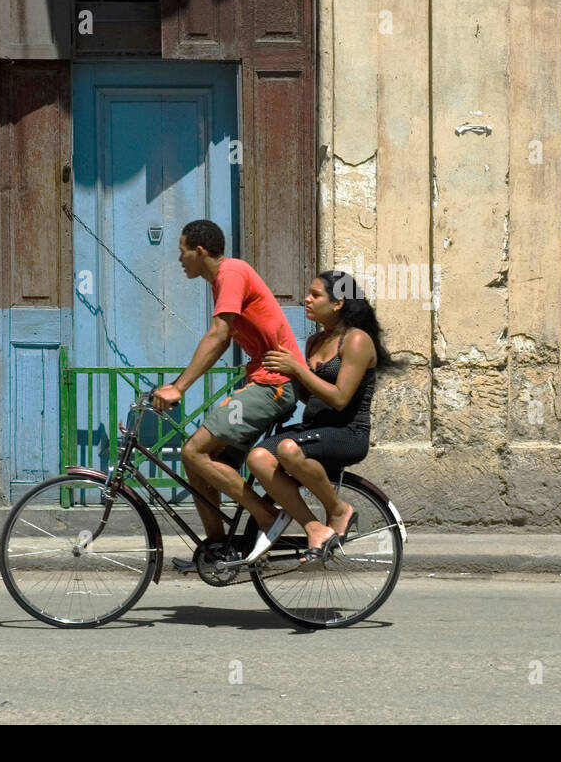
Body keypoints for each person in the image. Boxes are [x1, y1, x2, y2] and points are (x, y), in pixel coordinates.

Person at [151, 219, 300, 548]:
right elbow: (220, 339)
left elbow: (219, 337)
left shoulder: (230, 273)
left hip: (274, 383)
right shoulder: (222, 280)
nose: (180, 259)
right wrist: (178, 384)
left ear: (200, 251)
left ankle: (268, 517)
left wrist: (178, 388)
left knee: (193, 451)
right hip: (264, 382)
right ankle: (218, 549)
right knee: (201, 465)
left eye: (183, 252)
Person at [244, 270, 391, 564]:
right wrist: (281, 373)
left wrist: (298, 370)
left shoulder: (356, 340)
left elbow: (338, 399)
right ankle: (313, 527)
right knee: (257, 458)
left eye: (316, 295)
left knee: (288, 449)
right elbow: (309, 397)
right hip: (314, 429)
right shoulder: (314, 342)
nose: (307, 300)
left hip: (347, 431)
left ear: (338, 303)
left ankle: (338, 509)